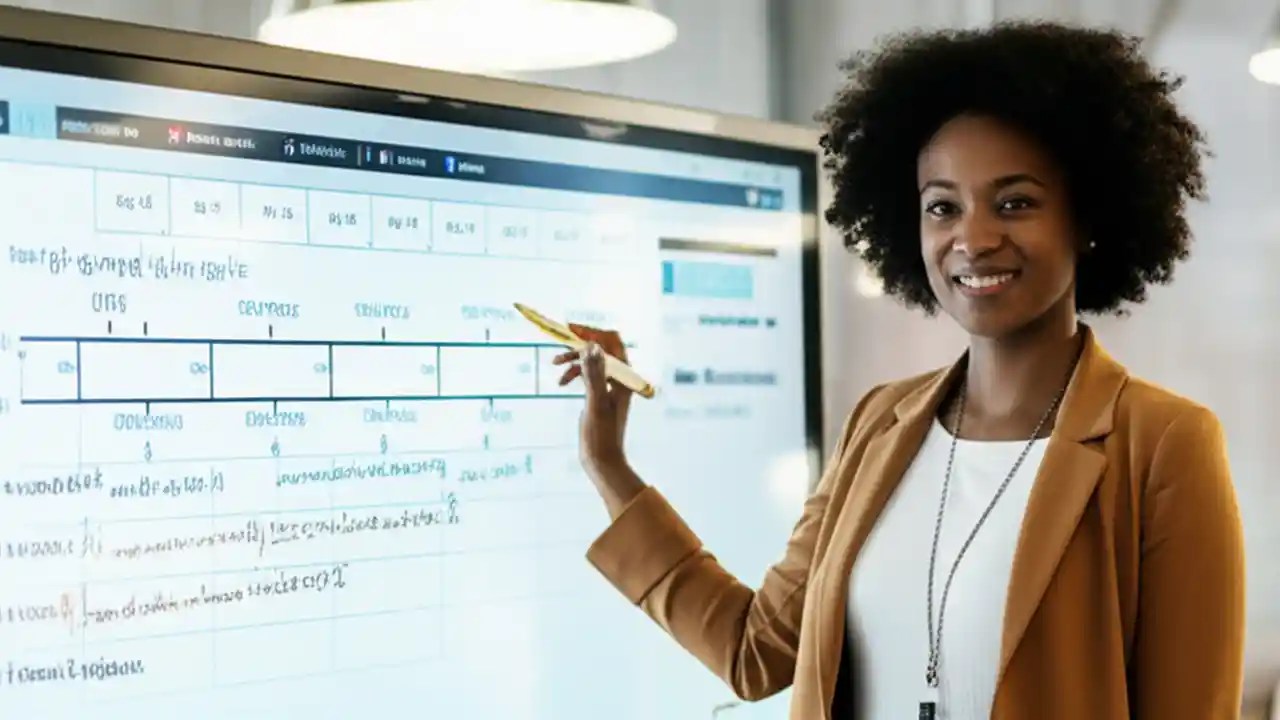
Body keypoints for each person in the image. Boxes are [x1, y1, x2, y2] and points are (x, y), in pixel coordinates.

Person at [553, 20, 1246, 720]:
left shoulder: (1163, 444)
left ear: (1086, 219)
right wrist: (610, 467)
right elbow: (755, 650)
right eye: (943, 207)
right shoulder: (879, 423)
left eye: (1015, 203)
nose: (973, 238)